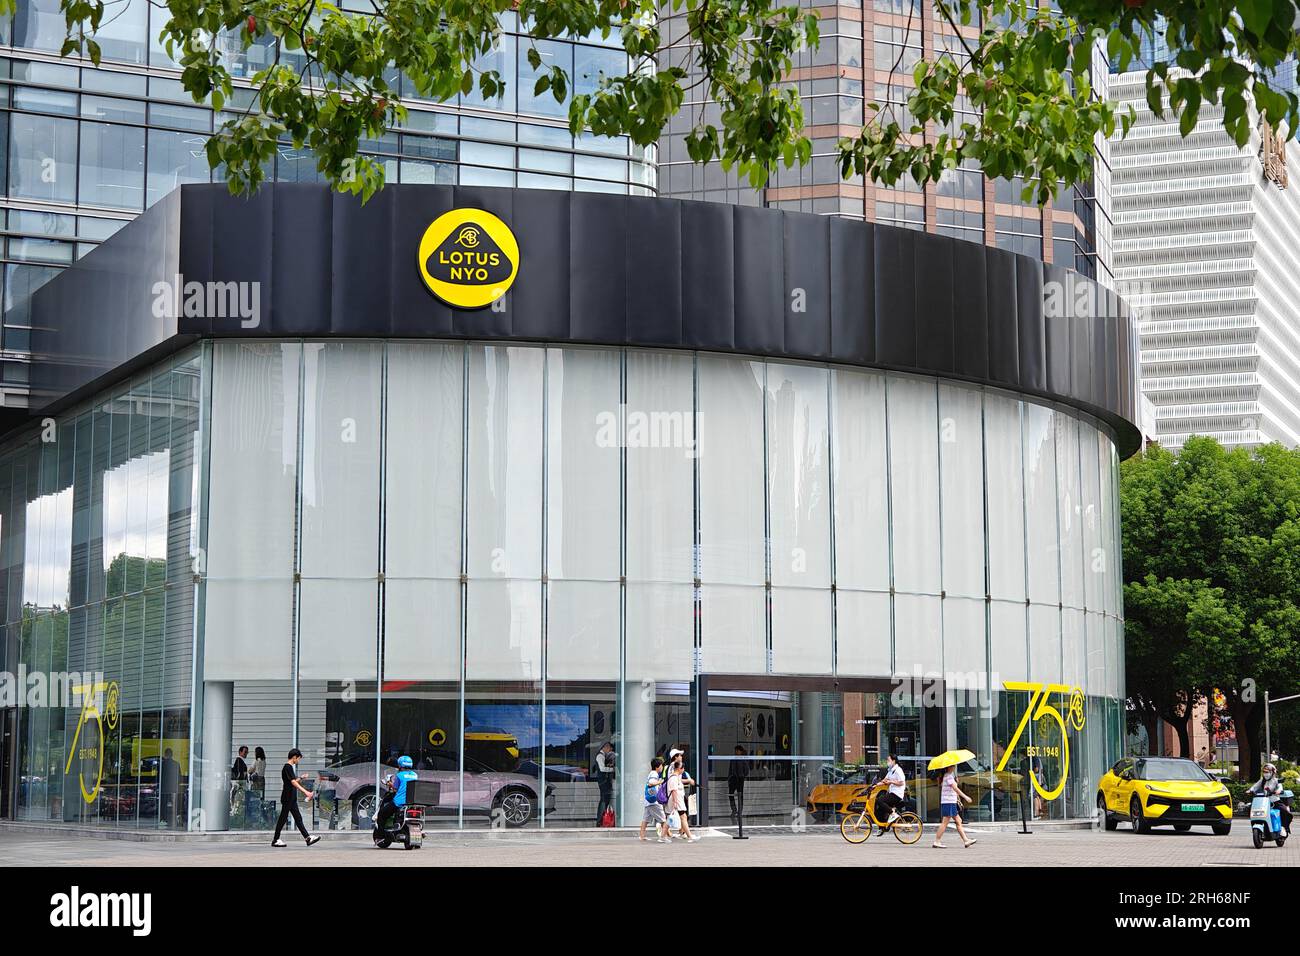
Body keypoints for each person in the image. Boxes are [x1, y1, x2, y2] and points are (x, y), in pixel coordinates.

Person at [272, 749, 321, 847]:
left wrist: (301, 778)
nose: (298, 761)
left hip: (291, 797)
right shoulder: (287, 767)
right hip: (288, 797)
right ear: (294, 757)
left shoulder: (289, 768)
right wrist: (306, 792)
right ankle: (275, 840)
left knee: (298, 818)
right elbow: (293, 782)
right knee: (283, 818)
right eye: (298, 758)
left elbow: (293, 780)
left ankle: (307, 838)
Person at [932, 765, 977, 849]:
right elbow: (955, 789)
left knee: (958, 821)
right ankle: (937, 841)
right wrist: (965, 797)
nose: (954, 767)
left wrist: (958, 799)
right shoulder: (948, 776)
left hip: (950, 802)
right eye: (952, 766)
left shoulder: (948, 777)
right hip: (948, 802)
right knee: (945, 822)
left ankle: (966, 840)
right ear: (948, 767)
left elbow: (953, 790)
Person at [375, 755, 419, 836]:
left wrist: (389, 783)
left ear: (400, 765)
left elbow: (395, 789)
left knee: (381, 813)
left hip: (399, 802)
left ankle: (380, 835)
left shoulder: (399, 775)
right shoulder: (415, 775)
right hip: (411, 802)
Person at [1247, 763, 1292, 837]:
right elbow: (1255, 786)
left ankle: (1283, 827)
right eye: (1264, 772)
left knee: (1285, 812)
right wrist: (1250, 790)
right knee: (1251, 809)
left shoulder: (1276, 781)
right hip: (1264, 802)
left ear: (1272, 772)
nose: (1266, 774)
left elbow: (1280, 787)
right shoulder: (1262, 780)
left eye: (1267, 772)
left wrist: (1279, 791)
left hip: (1275, 802)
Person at [666, 749, 699, 842]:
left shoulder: (673, 767)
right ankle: (689, 835)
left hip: (677, 795)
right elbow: (674, 782)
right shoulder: (674, 767)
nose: (681, 756)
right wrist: (688, 781)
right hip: (676, 796)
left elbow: (678, 780)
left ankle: (680, 833)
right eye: (680, 755)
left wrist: (688, 781)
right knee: (683, 816)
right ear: (675, 757)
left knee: (676, 816)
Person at [639, 757, 670, 843]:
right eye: (661, 766)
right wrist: (660, 782)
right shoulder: (654, 774)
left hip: (648, 801)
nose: (662, 767)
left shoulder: (651, 773)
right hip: (654, 802)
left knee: (645, 820)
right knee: (663, 820)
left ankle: (642, 836)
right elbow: (650, 783)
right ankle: (664, 837)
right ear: (657, 767)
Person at [877, 753, 907, 822]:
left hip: (897, 794)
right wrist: (875, 785)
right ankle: (882, 828)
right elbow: (885, 780)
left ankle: (892, 813)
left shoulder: (898, 770)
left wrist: (891, 782)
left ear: (893, 761)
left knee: (879, 800)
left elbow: (901, 782)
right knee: (880, 809)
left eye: (888, 760)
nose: (887, 762)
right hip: (892, 793)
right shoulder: (890, 770)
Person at [593, 741, 616, 826]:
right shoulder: (600, 756)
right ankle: (600, 820)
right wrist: (611, 770)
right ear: (605, 747)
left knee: (605, 800)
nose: (610, 751)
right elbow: (602, 769)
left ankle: (602, 820)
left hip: (604, 781)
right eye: (609, 749)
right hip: (603, 781)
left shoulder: (602, 756)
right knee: (603, 800)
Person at [159, 748, 181, 829]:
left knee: (163, 805)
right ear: (172, 755)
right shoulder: (176, 764)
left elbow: (159, 777)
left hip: (164, 788)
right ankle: (178, 818)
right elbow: (179, 777)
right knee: (175, 805)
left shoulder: (162, 764)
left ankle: (164, 820)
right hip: (174, 789)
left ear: (165, 755)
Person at [727, 745, 749, 824]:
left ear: (741, 751)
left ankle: (740, 812)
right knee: (731, 795)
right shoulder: (733, 759)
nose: (736, 752)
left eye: (737, 751)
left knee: (740, 796)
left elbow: (747, 770)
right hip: (733, 779)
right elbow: (730, 770)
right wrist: (729, 778)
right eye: (735, 751)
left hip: (740, 779)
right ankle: (734, 810)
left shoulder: (743, 759)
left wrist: (742, 776)